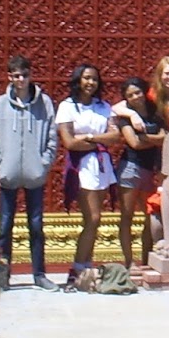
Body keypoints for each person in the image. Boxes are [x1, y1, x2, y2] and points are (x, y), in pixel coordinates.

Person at [0, 54, 60, 291]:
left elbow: (52, 136)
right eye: (16, 75)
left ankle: (39, 274)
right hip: (8, 175)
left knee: (36, 225)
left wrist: (43, 163)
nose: (21, 80)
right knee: (5, 226)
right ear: (9, 77)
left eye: (25, 75)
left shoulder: (44, 103)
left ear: (31, 75)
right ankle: (3, 275)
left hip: (34, 174)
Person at [56, 62, 121, 287]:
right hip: (81, 167)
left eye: (94, 79)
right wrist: (97, 140)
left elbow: (115, 136)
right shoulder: (67, 107)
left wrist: (91, 139)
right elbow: (70, 142)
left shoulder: (103, 107)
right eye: (86, 78)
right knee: (91, 218)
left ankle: (86, 265)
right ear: (78, 80)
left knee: (97, 218)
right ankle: (77, 268)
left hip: (101, 165)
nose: (90, 83)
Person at [115, 77, 165, 268]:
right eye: (130, 95)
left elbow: (165, 137)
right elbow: (133, 143)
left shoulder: (154, 113)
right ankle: (129, 261)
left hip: (149, 170)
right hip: (130, 168)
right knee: (127, 216)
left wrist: (145, 137)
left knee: (150, 215)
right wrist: (154, 139)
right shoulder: (125, 118)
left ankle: (147, 257)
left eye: (137, 92)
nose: (136, 97)